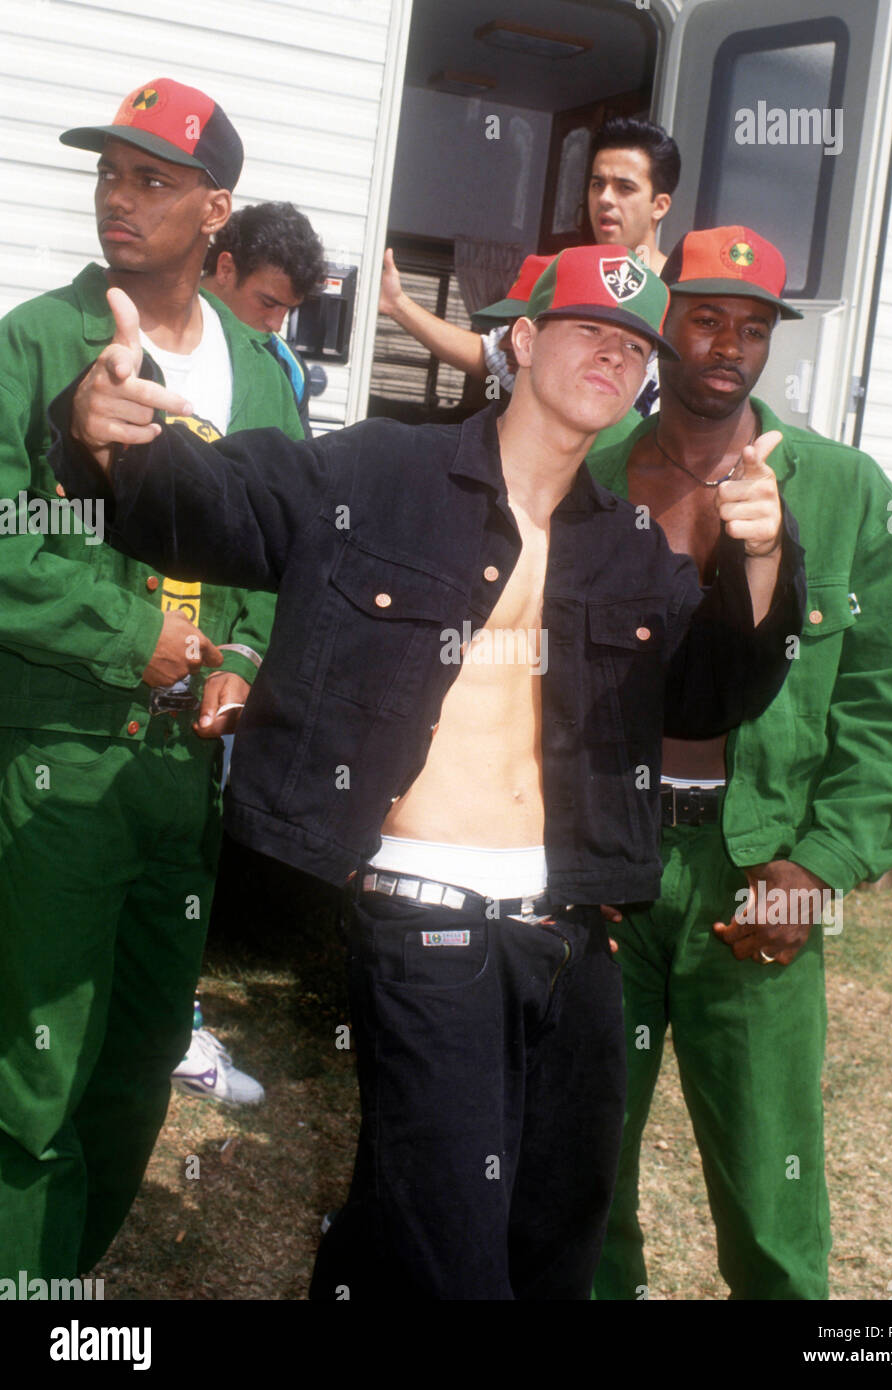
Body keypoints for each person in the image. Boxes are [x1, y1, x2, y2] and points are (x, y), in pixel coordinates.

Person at [52, 242, 805, 1301]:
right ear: (526, 340)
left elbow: (707, 697)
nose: (613, 353)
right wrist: (110, 443)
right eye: (588, 326)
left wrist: (764, 560)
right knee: (452, 1251)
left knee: (554, 1237)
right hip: (428, 917)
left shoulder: (628, 546)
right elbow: (224, 504)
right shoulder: (380, 472)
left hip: (573, 931)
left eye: (633, 342)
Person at [586, 226, 892, 1300]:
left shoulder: (841, 489)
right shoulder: (591, 470)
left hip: (757, 880)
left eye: (752, 327)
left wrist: (819, 867)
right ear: (663, 324)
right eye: (705, 318)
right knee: (577, 1171)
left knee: (771, 1190)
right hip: (605, 871)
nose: (728, 345)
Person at [0, 77, 304, 1284]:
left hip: (191, 774)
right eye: (108, 174)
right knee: (35, 1067)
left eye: (151, 180)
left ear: (214, 208)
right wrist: (133, 636)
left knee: (135, 1063)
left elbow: (289, 540)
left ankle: (66, 1279)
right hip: (62, 752)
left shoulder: (260, 368)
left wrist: (244, 653)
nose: (116, 199)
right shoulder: (36, 341)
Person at [378, 117, 680, 416]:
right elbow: (490, 356)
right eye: (597, 184)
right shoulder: (570, 274)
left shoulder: (681, 293)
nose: (605, 199)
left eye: (624, 188)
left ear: (660, 205)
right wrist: (397, 304)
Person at [201, 201, 328, 433]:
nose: (276, 324)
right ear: (226, 269)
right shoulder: (159, 324)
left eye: (289, 309)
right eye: (267, 303)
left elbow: (295, 464)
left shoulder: (290, 370)